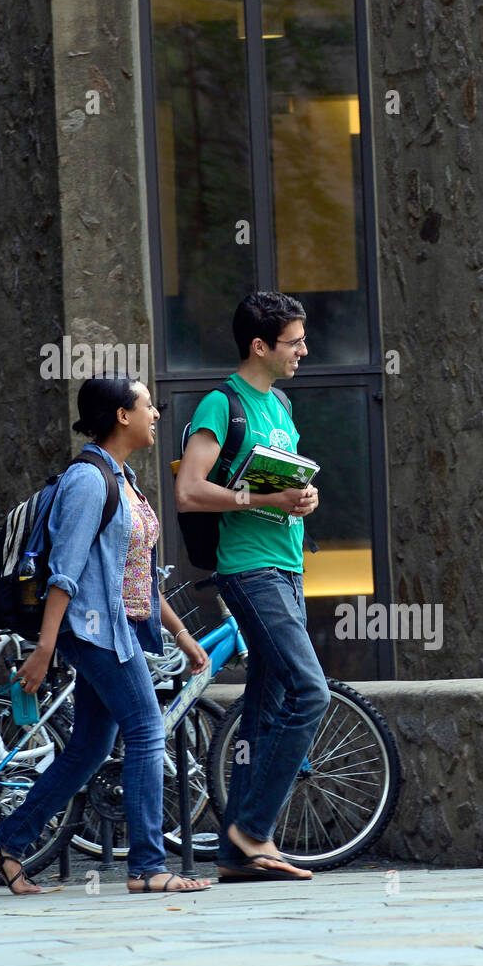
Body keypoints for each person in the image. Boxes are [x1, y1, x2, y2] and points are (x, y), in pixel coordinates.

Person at [0, 376, 213, 895]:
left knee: (89, 747)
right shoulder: (88, 480)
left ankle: (10, 839)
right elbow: (64, 572)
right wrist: (45, 648)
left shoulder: (123, 477)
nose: (156, 413)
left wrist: (178, 634)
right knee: (147, 732)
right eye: (147, 405)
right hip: (95, 632)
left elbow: (137, 577)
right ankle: (148, 866)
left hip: (121, 629)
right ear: (121, 416)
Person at [173, 292, 329, 883]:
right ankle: (254, 829)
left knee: (267, 704)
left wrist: (302, 498)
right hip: (248, 568)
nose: (304, 351)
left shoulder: (281, 404)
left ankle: (238, 855)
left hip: (287, 564)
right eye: (294, 342)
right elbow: (189, 489)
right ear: (260, 346)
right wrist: (264, 498)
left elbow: (280, 483)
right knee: (309, 691)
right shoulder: (222, 404)